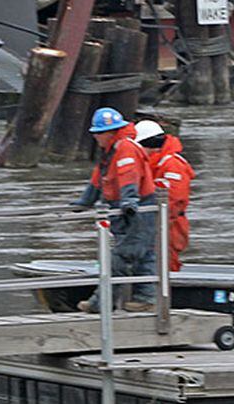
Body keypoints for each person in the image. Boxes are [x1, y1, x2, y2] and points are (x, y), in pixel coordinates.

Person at [71, 107, 159, 313]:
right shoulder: (110, 151)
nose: (95, 137)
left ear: (110, 132)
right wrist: (85, 201)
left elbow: (129, 175)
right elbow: (99, 178)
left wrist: (129, 202)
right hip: (124, 207)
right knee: (143, 253)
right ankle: (145, 297)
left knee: (122, 255)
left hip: (137, 207)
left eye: (98, 133)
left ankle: (102, 302)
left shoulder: (125, 149)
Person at [135, 119, 195, 271]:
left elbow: (175, 199)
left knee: (165, 264)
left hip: (169, 225)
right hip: (151, 223)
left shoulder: (171, 165)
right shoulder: (153, 163)